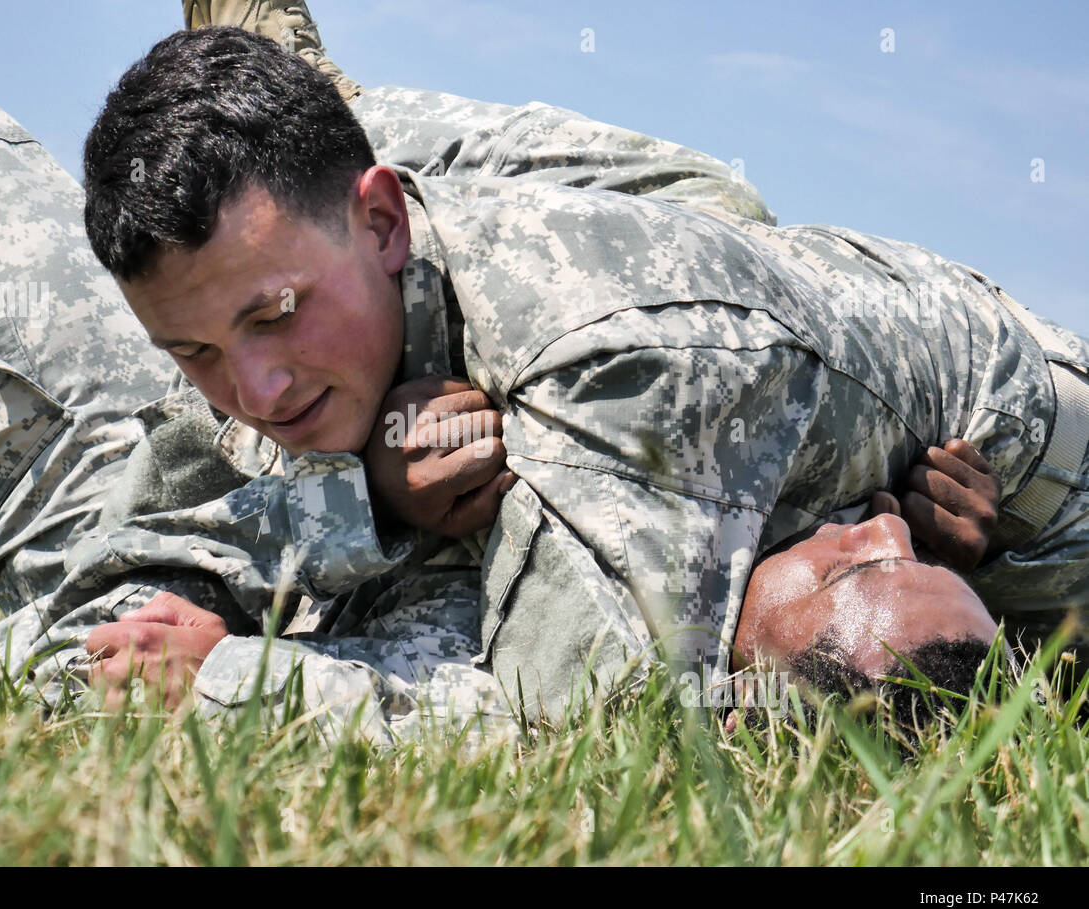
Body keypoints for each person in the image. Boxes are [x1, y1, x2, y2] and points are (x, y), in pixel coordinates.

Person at [73, 25, 1089, 731]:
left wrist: (228, 681)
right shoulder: (246, 297)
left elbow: (576, 712)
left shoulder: (615, 349)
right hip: (784, 345)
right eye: (195, 352)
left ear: (383, 224)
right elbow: (129, 555)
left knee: (878, 666)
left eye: (276, 315)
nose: (252, 389)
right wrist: (366, 495)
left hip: (1049, 488)